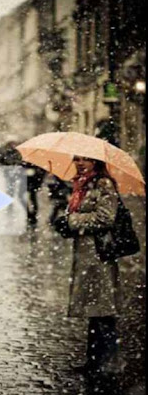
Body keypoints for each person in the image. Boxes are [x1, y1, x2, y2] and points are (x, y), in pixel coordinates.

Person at [54, 156, 122, 375]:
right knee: (95, 307)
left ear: (97, 162)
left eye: (86, 160)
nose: (80, 163)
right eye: (77, 160)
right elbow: (81, 213)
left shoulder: (103, 184)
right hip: (87, 254)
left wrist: (73, 221)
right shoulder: (82, 184)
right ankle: (93, 361)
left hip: (99, 253)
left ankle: (108, 363)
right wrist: (66, 221)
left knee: (103, 309)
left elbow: (106, 217)